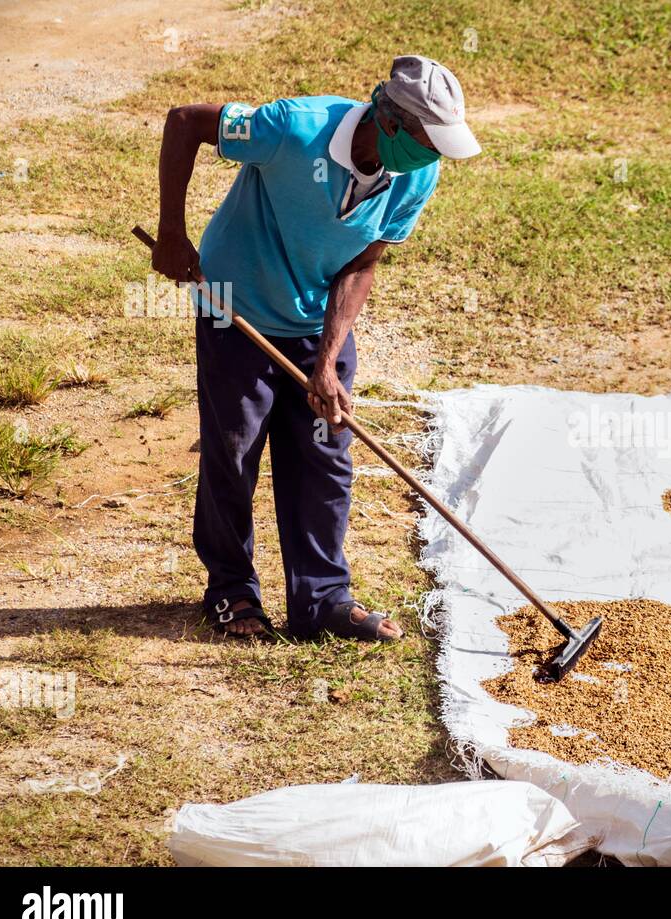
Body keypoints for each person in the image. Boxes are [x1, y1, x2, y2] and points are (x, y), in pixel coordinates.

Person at [151, 55, 480, 639]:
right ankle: (231, 594)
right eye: (429, 141)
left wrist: (327, 360)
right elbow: (183, 121)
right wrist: (172, 233)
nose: (434, 158)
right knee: (234, 450)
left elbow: (362, 262)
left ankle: (322, 601)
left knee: (326, 455)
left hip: (315, 322)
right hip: (236, 307)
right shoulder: (293, 128)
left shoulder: (417, 174)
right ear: (391, 122)